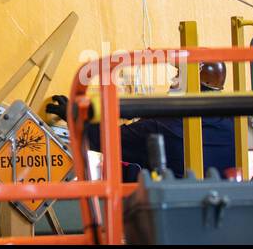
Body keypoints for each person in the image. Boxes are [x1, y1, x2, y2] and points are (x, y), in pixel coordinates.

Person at [47, 62, 237, 181]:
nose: (172, 80)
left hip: (172, 215)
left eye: (178, 76)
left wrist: (74, 117)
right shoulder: (233, 125)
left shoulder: (161, 129)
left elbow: (106, 139)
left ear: (190, 83)